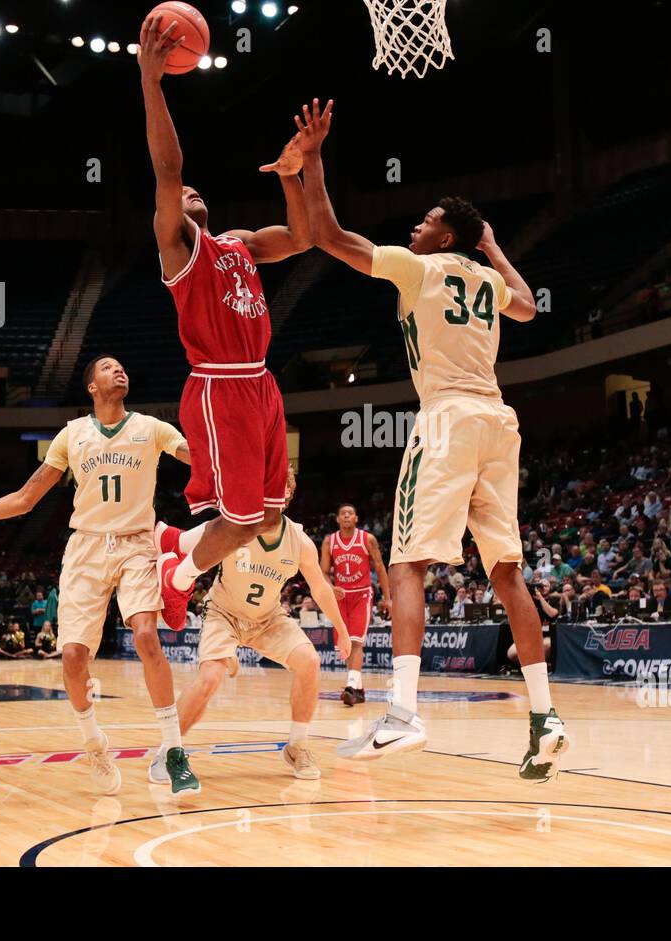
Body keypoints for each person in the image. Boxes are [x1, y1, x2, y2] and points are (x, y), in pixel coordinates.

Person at [297, 98, 569, 779]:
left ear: (443, 237)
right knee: (507, 573)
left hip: (446, 418)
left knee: (406, 566)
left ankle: (403, 713)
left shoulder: (419, 267)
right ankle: (545, 717)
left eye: (427, 220)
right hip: (499, 424)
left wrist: (312, 161)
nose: (416, 226)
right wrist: (492, 246)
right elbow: (531, 305)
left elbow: (328, 234)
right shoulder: (485, 277)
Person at [0, 355, 199, 796]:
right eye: (107, 368)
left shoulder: (152, 427)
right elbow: (26, 498)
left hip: (136, 541)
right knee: (74, 657)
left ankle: (174, 751)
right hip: (86, 547)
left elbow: (198, 457)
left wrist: (236, 449)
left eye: (122, 366)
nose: (118, 370)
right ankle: (95, 744)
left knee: (146, 636)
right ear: (92, 388)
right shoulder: (71, 434)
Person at [137, 18, 313, 631]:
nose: (187, 191)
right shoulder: (180, 250)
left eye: (193, 190)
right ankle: (178, 574)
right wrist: (151, 82)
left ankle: (175, 548)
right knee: (240, 519)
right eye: (178, 193)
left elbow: (301, 236)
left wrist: (294, 173)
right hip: (219, 384)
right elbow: (166, 168)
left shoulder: (235, 242)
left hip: (261, 382)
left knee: (266, 518)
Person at [170, 469, 350, 782]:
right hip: (224, 611)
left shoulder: (299, 541)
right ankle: (169, 750)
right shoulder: (233, 526)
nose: (270, 495)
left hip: (268, 618)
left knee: (309, 661)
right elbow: (181, 545)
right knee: (210, 677)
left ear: (288, 496)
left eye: (278, 490)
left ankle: (297, 746)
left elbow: (320, 588)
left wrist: (343, 631)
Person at [320, 502, 391, 707]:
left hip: (362, 594)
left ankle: (350, 685)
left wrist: (387, 598)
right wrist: (330, 587)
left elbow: (379, 567)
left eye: (351, 513)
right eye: (343, 514)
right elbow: (323, 571)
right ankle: (358, 691)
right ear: (337, 519)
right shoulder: (329, 542)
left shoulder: (367, 539)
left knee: (356, 641)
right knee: (345, 643)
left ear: (356, 518)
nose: (347, 516)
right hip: (340, 597)